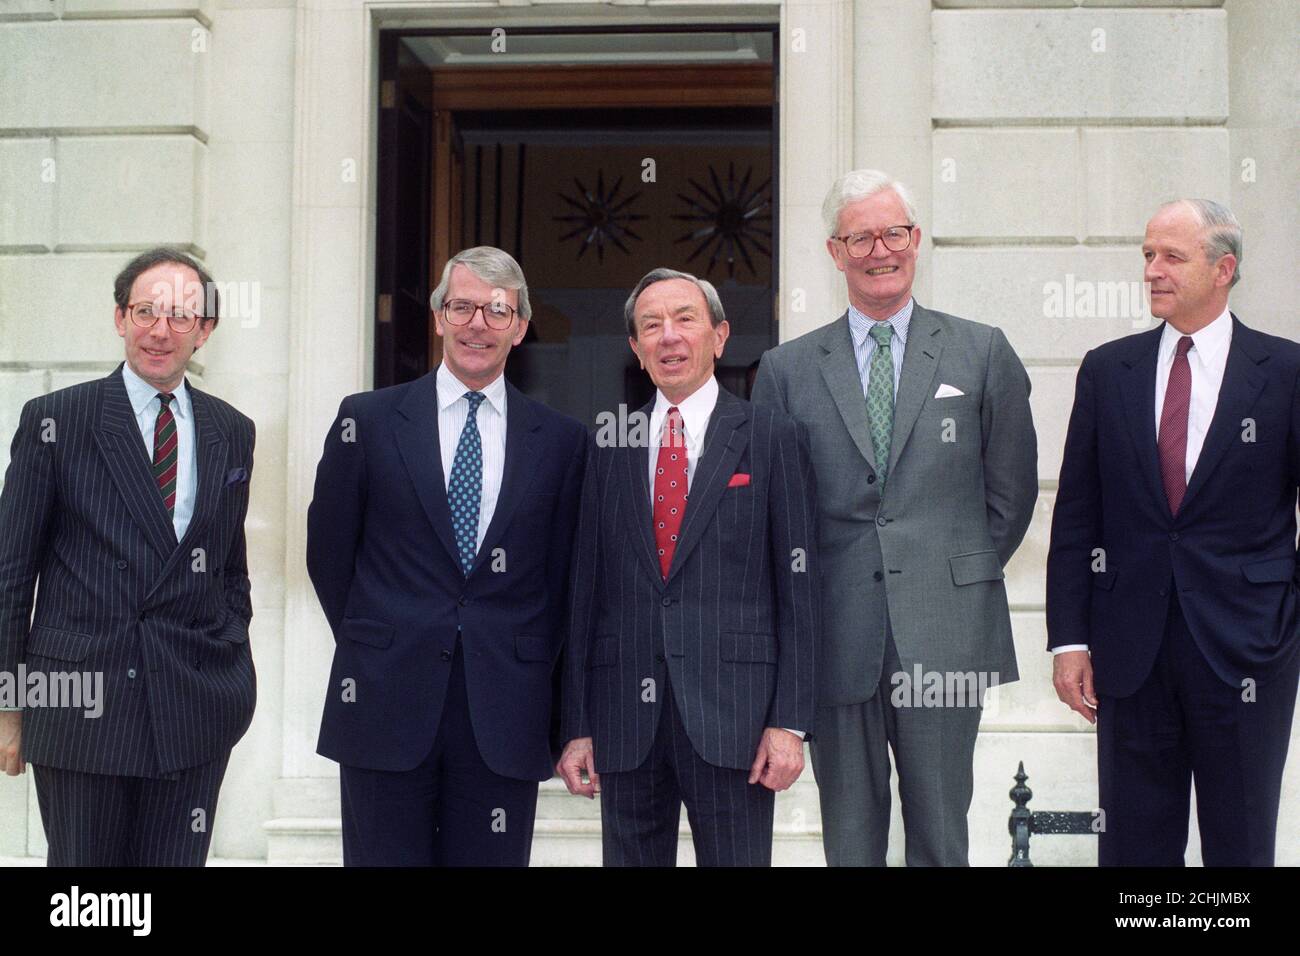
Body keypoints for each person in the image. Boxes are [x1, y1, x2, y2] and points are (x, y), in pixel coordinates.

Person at [752, 169, 1038, 866]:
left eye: (894, 233)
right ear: (834, 251)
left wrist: (947, 576)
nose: (880, 250)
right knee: (850, 840)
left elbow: (1011, 493)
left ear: (917, 241)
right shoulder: (786, 370)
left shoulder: (982, 350)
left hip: (946, 632)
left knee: (942, 833)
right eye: (861, 237)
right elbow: (773, 514)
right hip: (833, 634)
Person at [308, 246, 586, 866]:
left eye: (496, 311)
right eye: (461, 306)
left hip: (505, 712)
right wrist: (379, 637)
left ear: (519, 327)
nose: (476, 324)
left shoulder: (564, 442)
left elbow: (566, 581)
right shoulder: (368, 421)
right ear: (437, 317)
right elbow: (328, 553)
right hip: (384, 700)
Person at [1047, 199, 1299, 866]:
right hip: (1129, 655)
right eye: (1147, 255)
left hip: (1249, 653)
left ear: (1223, 268)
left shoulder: (1287, 373)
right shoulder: (1108, 370)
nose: (1152, 270)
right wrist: (1069, 640)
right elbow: (1077, 514)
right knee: (1132, 851)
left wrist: (1285, 622)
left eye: (1170, 257)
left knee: (1241, 847)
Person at [0, 247, 256, 865]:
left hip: (193, 704)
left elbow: (228, 566)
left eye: (180, 315)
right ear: (120, 318)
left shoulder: (232, 429)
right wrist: (8, 706)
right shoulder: (57, 420)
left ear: (206, 329)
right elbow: (10, 573)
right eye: (145, 311)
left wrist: (229, 655)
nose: (160, 330)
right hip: (78, 703)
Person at [556, 267, 818, 867]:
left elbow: (801, 588)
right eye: (651, 325)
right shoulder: (607, 444)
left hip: (737, 719)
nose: (668, 336)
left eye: (685, 320)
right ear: (636, 348)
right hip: (624, 719)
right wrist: (576, 724)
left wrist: (790, 722)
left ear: (720, 336)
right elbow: (583, 590)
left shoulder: (772, 437)